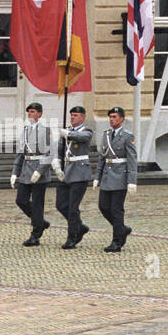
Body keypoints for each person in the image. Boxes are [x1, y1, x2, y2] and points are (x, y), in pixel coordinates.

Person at [11, 102, 55, 246]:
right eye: (29, 112)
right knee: (21, 200)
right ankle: (40, 222)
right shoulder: (25, 130)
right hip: (26, 169)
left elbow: (49, 154)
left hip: (39, 170)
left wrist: (40, 171)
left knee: (37, 204)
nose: (30, 114)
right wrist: (14, 172)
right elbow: (20, 153)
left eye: (33, 112)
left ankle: (36, 234)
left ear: (40, 114)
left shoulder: (46, 130)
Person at [94, 106, 137, 252]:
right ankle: (122, 229)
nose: (112, 120)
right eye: (110, 117)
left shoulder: (127, 135)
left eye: (115, 117)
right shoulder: (106, 134)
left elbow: (132, 158)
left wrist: (132, 180)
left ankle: (117, 241)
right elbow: (102, 156)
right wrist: (97, 177)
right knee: (103, 206)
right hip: (107, 176)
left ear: (122, 119)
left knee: (116, 209)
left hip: (120, 176)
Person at [53, 105, 94, 249]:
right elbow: (60, 150)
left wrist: (67, 134)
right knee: (60, 204)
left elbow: (84, 137)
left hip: (79, 172)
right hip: (66, 171)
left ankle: (72, 236)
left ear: (82, 117)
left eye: (76, 115)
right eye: (71, 115)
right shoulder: (67, 132)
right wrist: (57, 163)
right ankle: (80, 226)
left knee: (72, 207)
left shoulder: (86, 130)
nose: (72, 117)